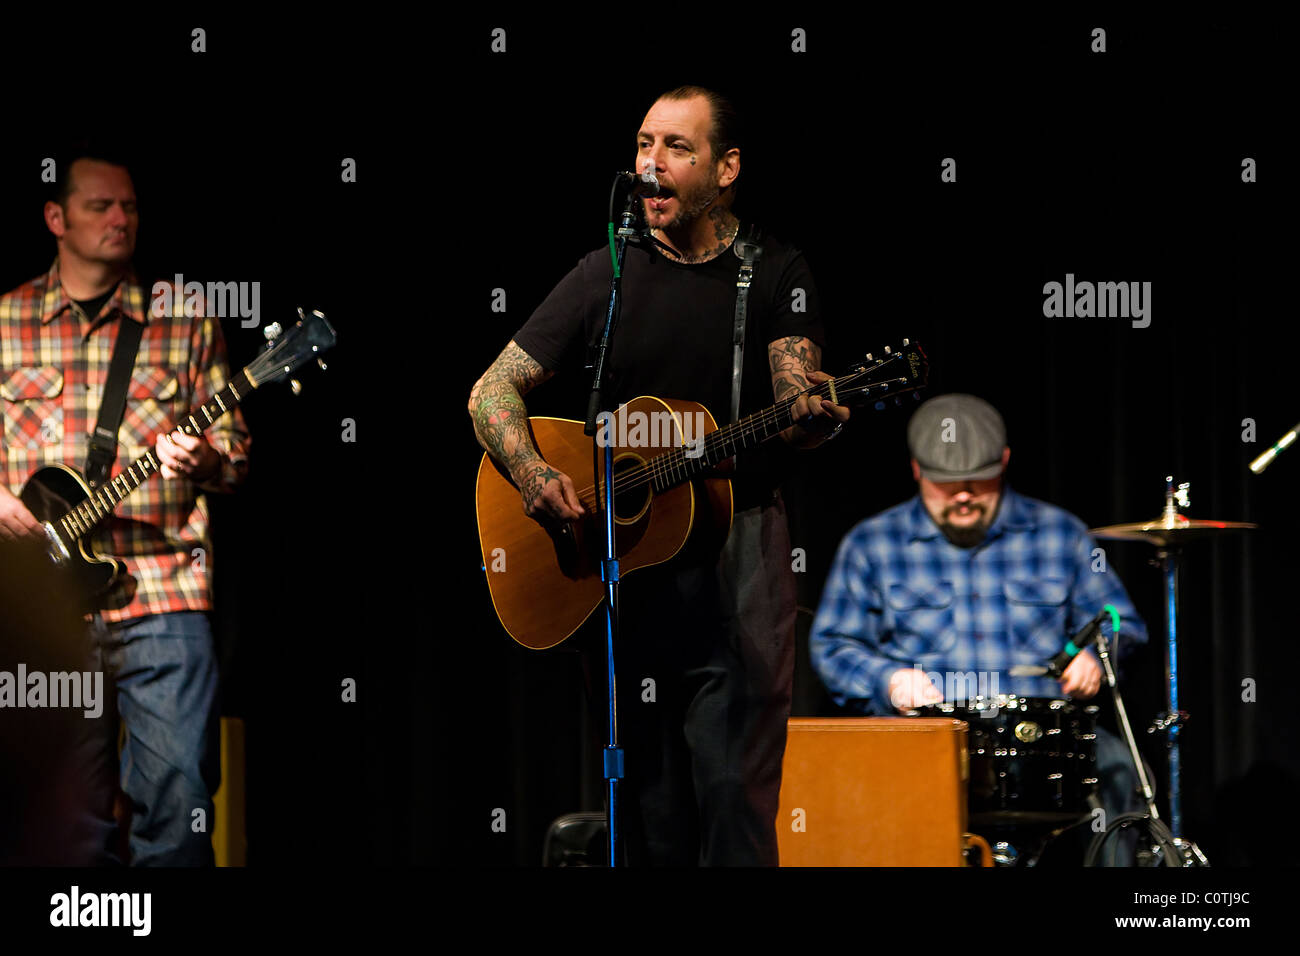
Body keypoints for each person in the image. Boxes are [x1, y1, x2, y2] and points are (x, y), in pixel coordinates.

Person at [468, 85, 849, 865]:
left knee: (732, 805)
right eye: (644, 145)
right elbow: (490, 392)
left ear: (726, 167)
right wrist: (534, 473)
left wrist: (810, 414)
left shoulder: (774, 272)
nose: (651, 164)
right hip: (625, 568)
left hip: (734, 558)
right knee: (644, 813)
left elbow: (794, 393)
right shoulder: (606, 273)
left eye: (676, 147)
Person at [0, 147, 250, 864]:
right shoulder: (6, 320)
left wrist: (205, 458)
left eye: (131, 206)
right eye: (100, 206)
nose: (120, 219)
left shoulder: (186, 320)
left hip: (163, 592)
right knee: (64, 824)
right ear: (56, 218)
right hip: (41, 612)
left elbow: (235, 457)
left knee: (179, 807)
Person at [809, 393, 1148, 864]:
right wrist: (886, 679)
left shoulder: (1060, 534)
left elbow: (1119, 620)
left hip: (1039, 735)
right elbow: (832, 643)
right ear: (916, 471)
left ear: (1004, 462)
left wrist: (1096, 654)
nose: (964, 495)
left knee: (1117, 767)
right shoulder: (872, 544)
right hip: (922, 735)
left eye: (978, 481)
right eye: (947, 485)